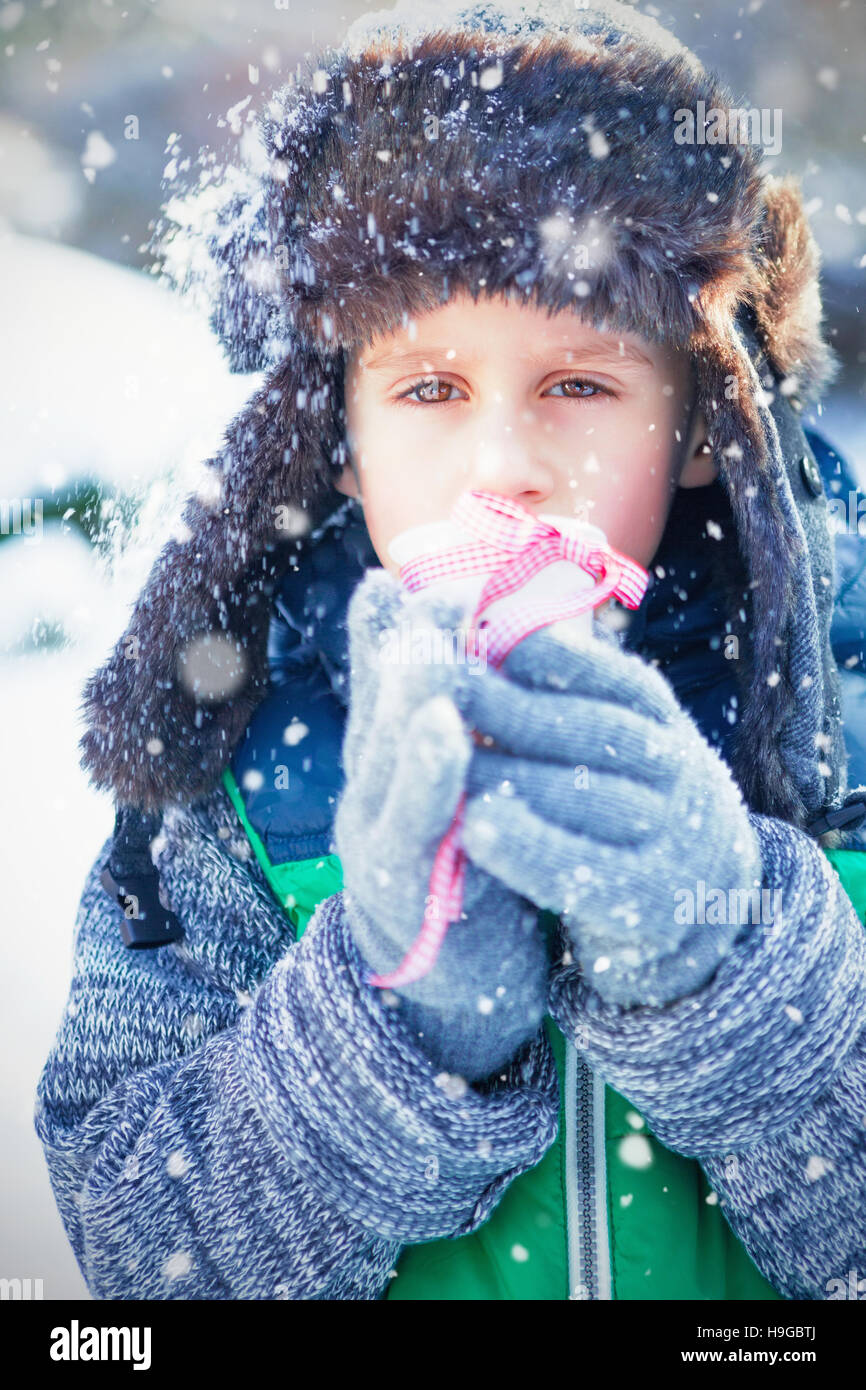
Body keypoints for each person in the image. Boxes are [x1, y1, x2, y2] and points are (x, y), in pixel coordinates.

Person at [35, 0, 866, 1300]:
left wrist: (733, 966)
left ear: (700, 424)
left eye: (579, 386)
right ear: (341, 438)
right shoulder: (241, 768)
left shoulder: (848, 721)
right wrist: (391, 1027)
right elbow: (142, 1260)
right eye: (429, 390)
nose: (501, 470)